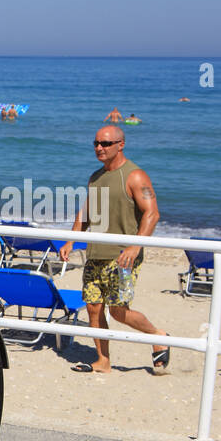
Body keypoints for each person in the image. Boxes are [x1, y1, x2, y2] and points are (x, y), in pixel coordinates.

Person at [59, 125, 170, 375]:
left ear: (121, 144)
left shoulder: (135, 176)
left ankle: (158, 336)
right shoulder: (95, 177)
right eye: (96, 143)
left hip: (123, 256)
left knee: (119, 311)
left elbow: (152, 213)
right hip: (95, 254)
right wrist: (70, 240)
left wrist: (135, 246)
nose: (99, 147)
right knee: (93, 307)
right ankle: (103, 360)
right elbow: (86, 213)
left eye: (106, 143)